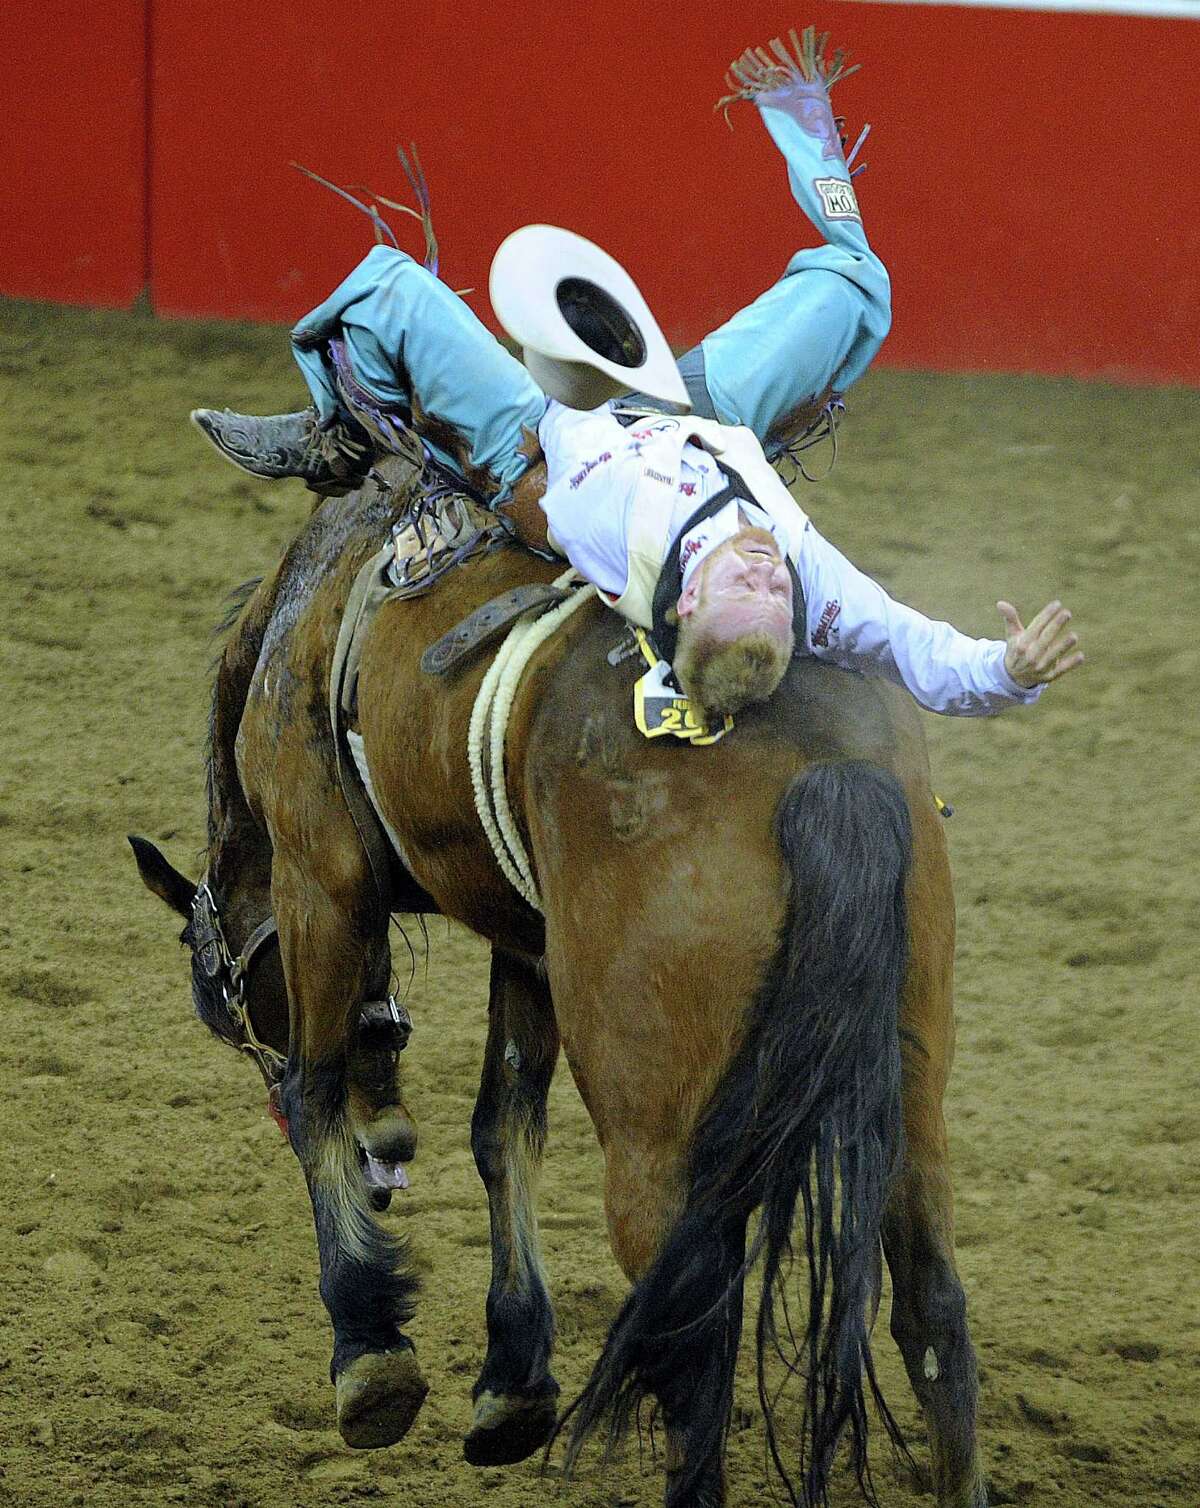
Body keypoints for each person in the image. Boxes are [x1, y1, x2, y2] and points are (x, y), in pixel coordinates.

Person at [191, 29, 1082, 721]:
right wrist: (1010, 671)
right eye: (775, 595)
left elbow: (570, 425)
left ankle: (336, 436)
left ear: (686, 597)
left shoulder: (614, 518)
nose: (767, 573)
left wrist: (563, 372)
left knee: (388, 289)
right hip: (708, 418)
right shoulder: (811, 584)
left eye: (744, 588)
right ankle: (797, 110)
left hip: (544, 440)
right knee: (857, 285)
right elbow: (919, 652)